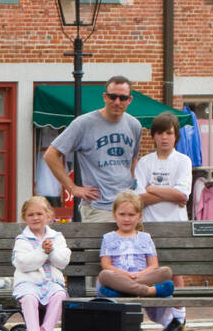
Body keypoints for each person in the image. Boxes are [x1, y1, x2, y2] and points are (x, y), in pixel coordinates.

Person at [44, 76, 143, 222]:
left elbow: (132, 160)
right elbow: (50, 155)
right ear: (104, 97)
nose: (117, 102)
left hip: (128, 207)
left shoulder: (134, 125)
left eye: (122, 98)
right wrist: (72, 188)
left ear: (129, 100)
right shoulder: (84, 124)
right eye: (112, 97)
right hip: (99, 207)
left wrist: (132, 189)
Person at [134, 112, 192, 331]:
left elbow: (182, 194)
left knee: (175, 272)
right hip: (148, 226)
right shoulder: (145, 162)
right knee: (147, 273)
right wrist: (168, 194)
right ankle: (154, 321)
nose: (165, 138)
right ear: (154, 136)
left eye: (169, 133)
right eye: (160, 133)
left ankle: (179, 317)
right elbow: (138, 198)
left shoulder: (183, 161)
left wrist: (152, 189)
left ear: (175, 136)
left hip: (175, 224)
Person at [96, 190, 176, 331]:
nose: (127, 219)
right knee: (104, 275)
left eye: (131, 215)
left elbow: (154, 265)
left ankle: (130, 290)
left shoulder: (145, 238)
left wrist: (139, 274)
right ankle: (146, 292)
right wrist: (124, 274)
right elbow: (106, 264)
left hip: (141, 278)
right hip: (118, 278)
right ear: (114, 215)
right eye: (122, 214)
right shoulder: (109, 237)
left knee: (166, 272)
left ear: (139, 216)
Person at [11, 195, 71, 331]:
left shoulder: (56, 237)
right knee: (29, 297)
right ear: (24, 217)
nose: (35, 217)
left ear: (48, 216)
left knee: (60, 295)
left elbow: (62, 261)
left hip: (51, 282)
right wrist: (42, 252)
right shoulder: (22, 239)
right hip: (28, 282)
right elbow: (23, 264)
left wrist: (51, 252)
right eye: (31, 214)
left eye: (39, 214)